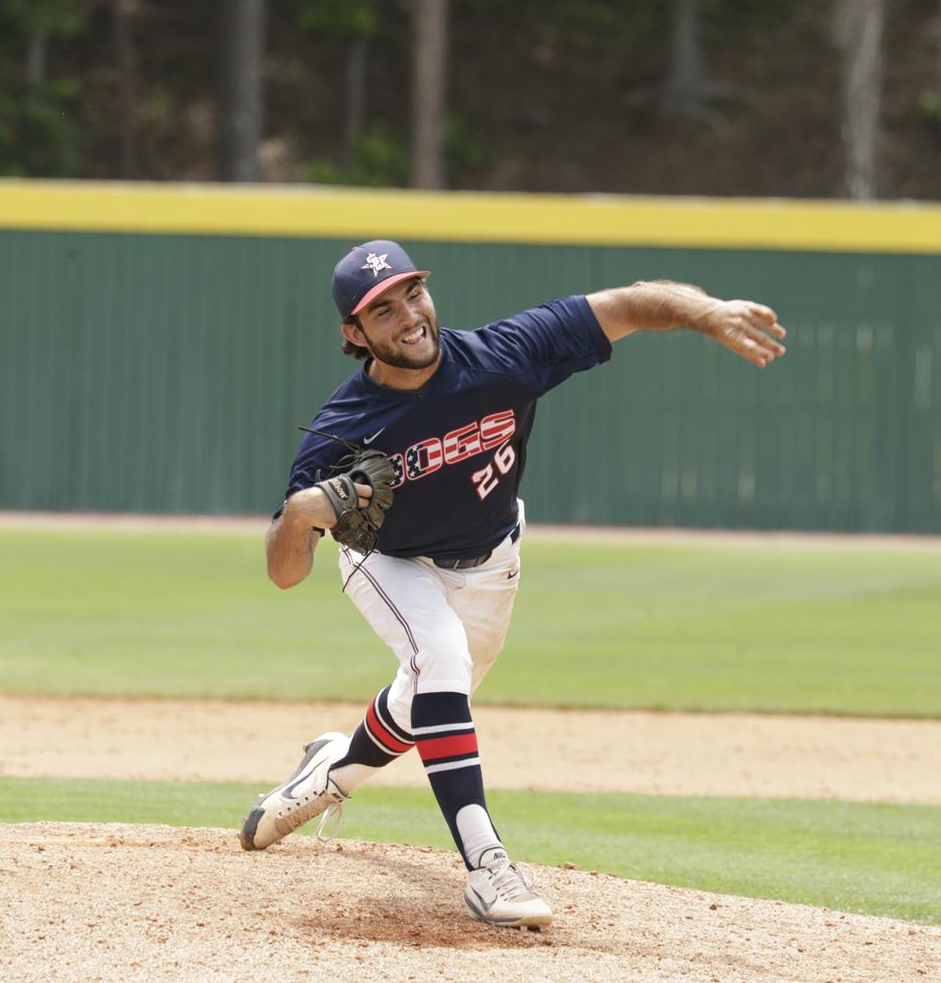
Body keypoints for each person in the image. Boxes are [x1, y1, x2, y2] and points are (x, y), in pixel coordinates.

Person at [242, 240, 786, 930]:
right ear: (355, 333)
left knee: (427, 696)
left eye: (413, 293)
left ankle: (332, 771)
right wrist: (298, 515)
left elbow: (628, 303)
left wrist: (708, 312)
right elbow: (285, 573)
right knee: (440, 658)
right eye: (383, 311)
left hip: (491, 560)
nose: (408, 316)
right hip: (389, 560)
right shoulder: (342, 428)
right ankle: (488, 865)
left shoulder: (504, 354)